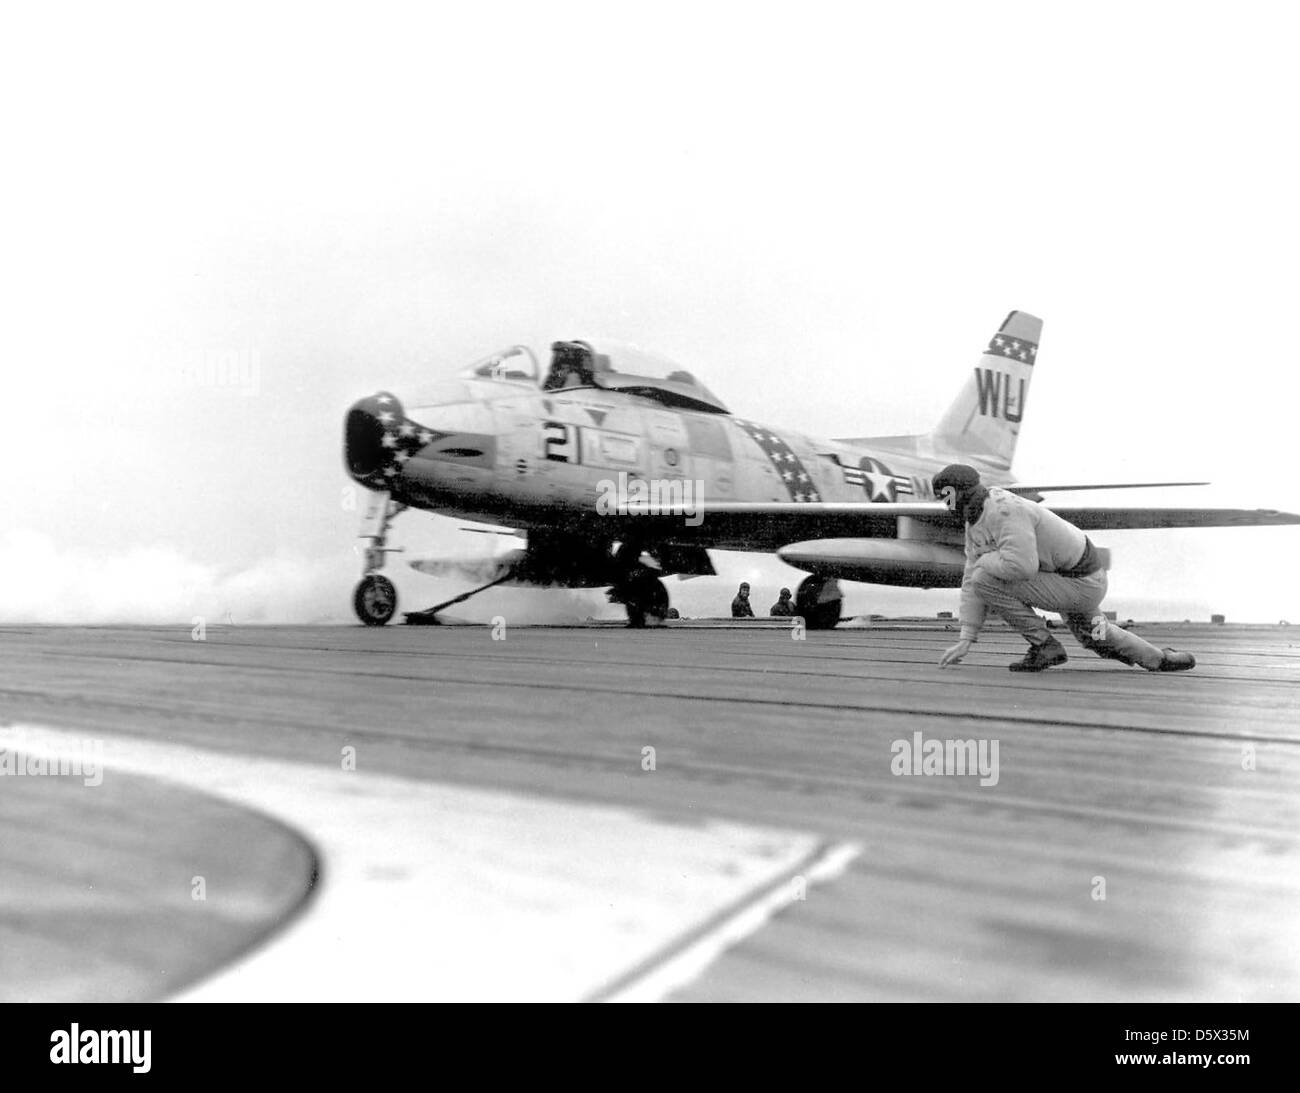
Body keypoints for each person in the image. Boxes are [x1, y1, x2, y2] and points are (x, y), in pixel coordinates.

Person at [933, 464, 1195, 673]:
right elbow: (970, 580)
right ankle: (1159, 659)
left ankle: (1043, 644)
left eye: (948, 499)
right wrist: (966, 638)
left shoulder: (1005, 511)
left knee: (984, 578)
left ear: (960, 495)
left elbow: (1019, 567)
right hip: (1073, 580)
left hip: (1080, 582)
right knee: (1097, 634)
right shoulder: (977, 520)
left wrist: (983, 560)